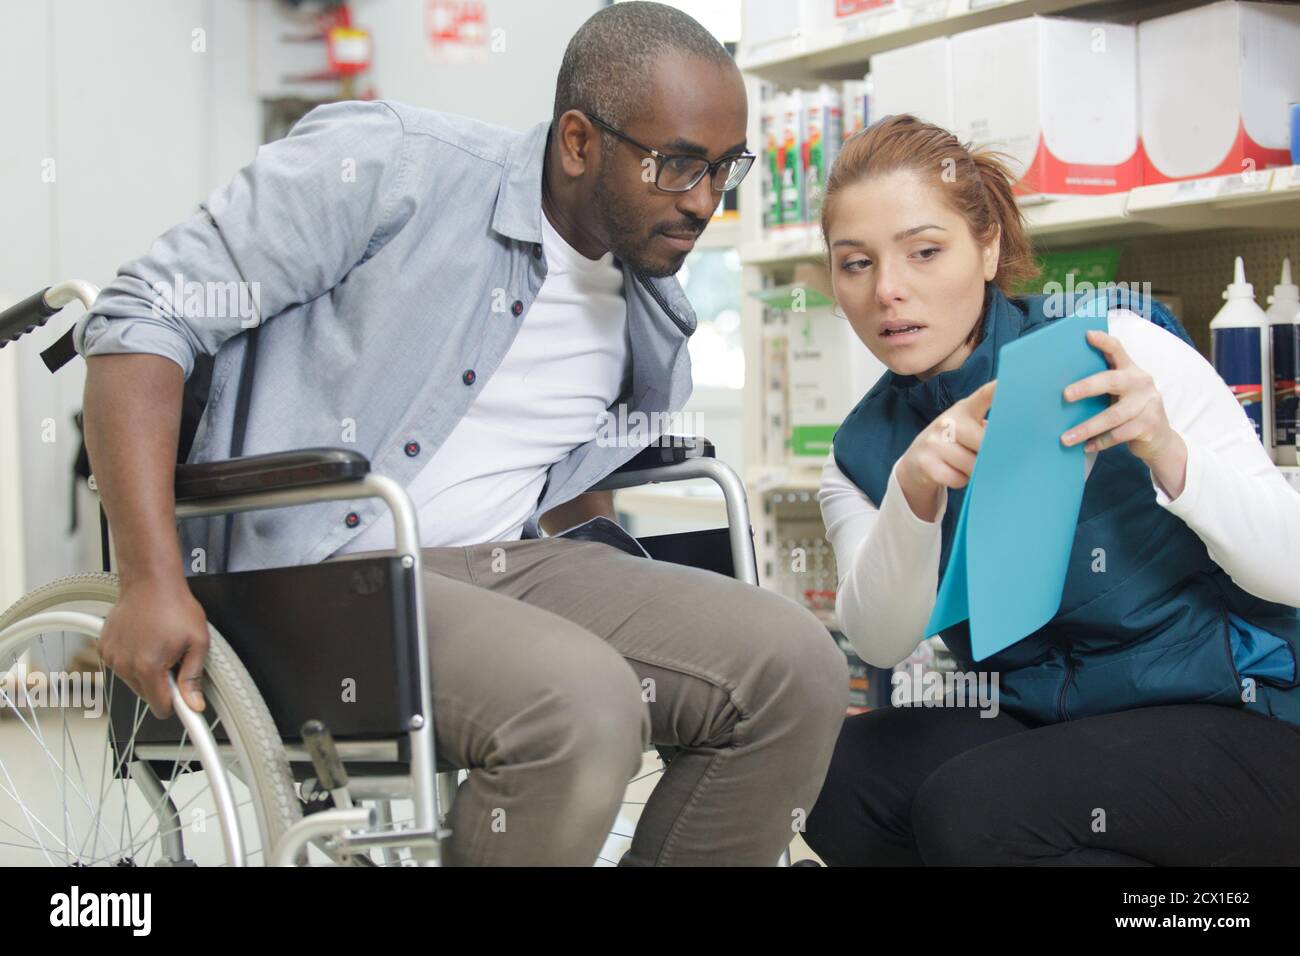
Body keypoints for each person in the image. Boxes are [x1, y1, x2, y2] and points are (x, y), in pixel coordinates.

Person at [75, 2, 848, 866]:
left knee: (796, 668)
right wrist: (148, 580)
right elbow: (138, 317)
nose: (704, 201)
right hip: (318, 578)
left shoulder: (651, 305)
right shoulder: (390, 164)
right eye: (676, 166)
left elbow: (550, 465)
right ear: (579, 142)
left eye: (723, 169)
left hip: (508, 569)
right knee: (579, 705)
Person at [803, 113, 1300, 865]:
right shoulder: (862, 451)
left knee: (977, 810)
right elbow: (879, 638)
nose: (889, 291)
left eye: (925, 252)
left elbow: (1292, 569)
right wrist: (913, 494)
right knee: (838, 777)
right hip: (1052, 721)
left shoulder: (1119, 348)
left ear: (989, 248)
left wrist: (1169, 453)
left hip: (1239, 716)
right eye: (856, 263)